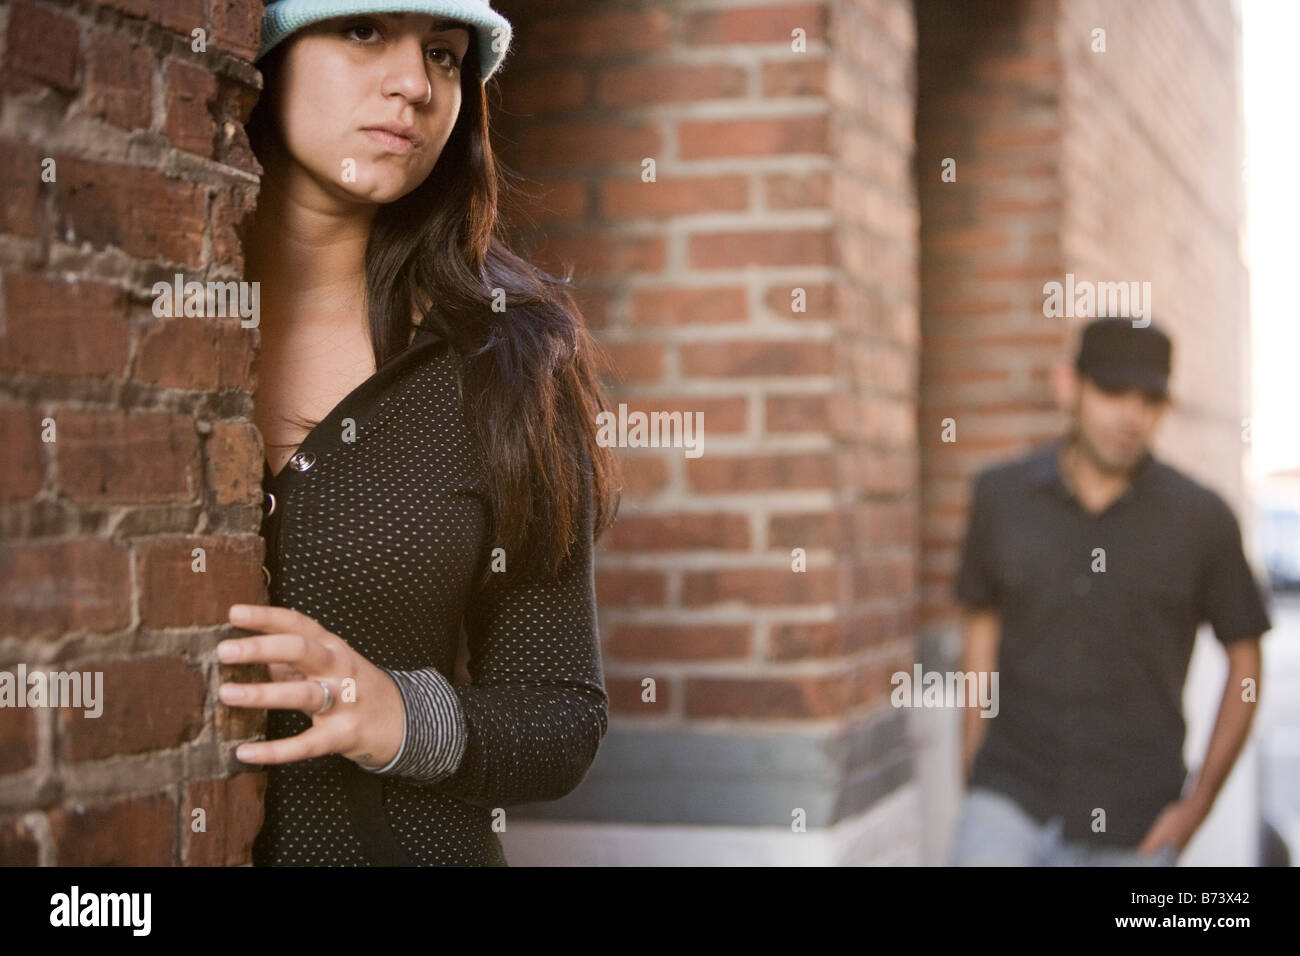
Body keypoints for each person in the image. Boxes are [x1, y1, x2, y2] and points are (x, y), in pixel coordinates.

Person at [216, 0, 624, 865]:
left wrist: (398, 715)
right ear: (271, 48)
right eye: (364, 31)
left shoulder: (507, 356)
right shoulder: (146, 314)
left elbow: (563, 715)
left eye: (443, 54)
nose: (414, 85)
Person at [948, 317, 1271, 866]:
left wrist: (1198, 804)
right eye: (1112, 391)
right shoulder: (1000, 497)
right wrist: (974, 761)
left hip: (1136, 821)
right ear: (1068, 386)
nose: (1131, 414)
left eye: (1150, 398)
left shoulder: (1201, 518)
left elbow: (1245, 657)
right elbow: (981, 627)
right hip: (1009, 797)